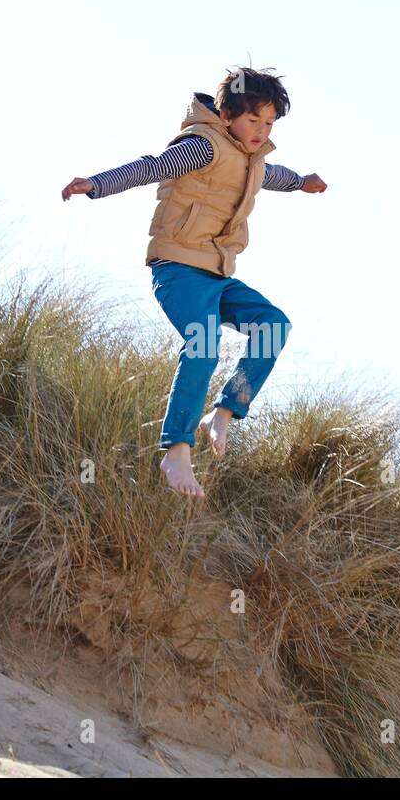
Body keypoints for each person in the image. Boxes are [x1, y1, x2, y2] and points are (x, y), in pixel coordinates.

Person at [62, 66, 328, 497]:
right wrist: (96, 184)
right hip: (178, 268)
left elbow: (271, 175)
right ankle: (176, 449)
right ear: (226, 116)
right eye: (253, 120)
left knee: (273, 325)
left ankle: (223, 412)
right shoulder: (202, 147)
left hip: (218, 274)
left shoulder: (250, 158)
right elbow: (151, 167)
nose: (261, 131)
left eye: (269, 123)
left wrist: (302, 183)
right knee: (203, 344)